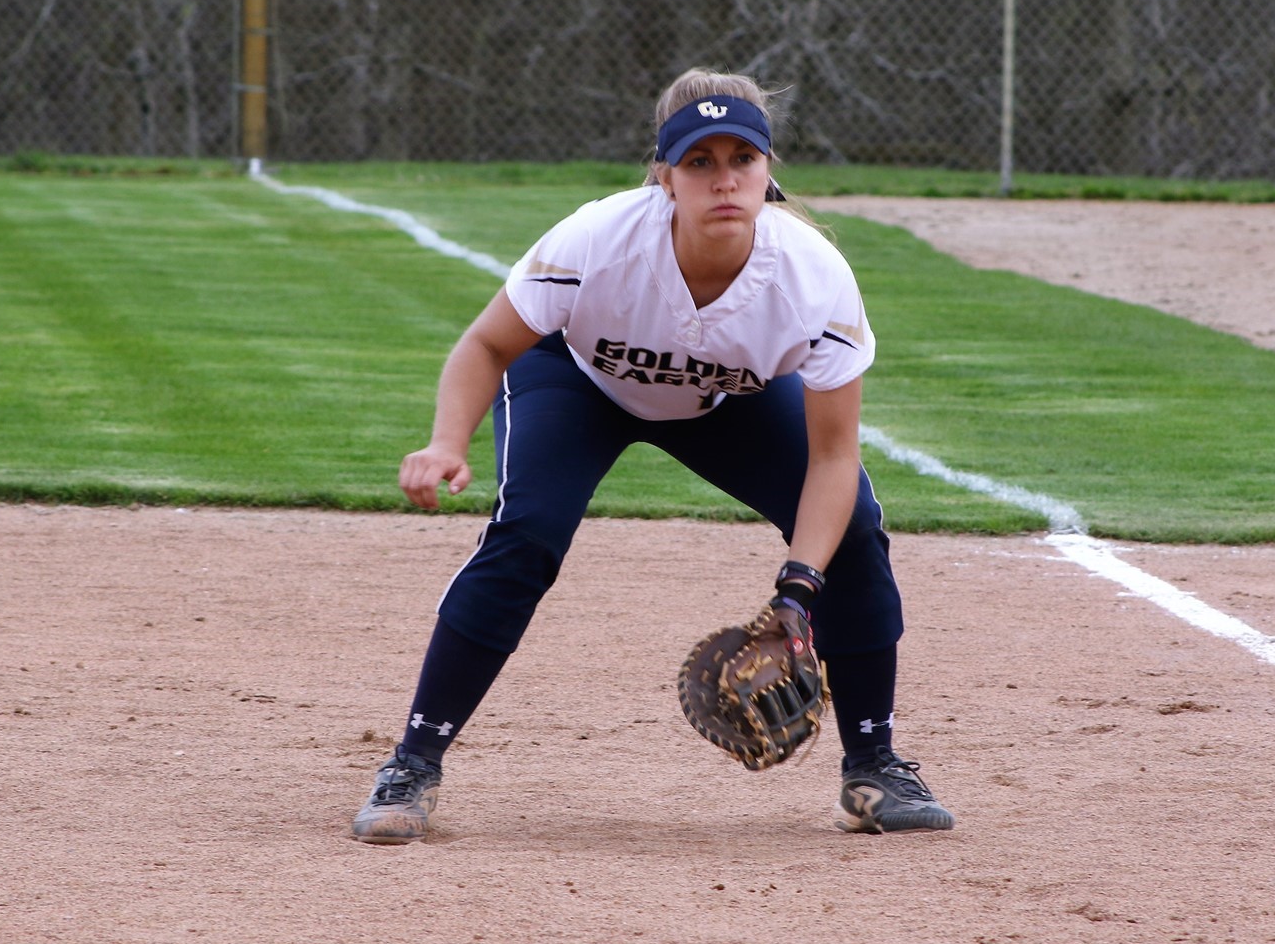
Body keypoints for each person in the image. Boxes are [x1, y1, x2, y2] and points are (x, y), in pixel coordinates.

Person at [351, 67, 954, 843]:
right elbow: (489, 343)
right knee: (526, 534)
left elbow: (834, 458)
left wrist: (798, 591)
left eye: (743, 158)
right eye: (700, 162)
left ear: (769, 170)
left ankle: (873, 768)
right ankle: (413, 762)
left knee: (857, 532)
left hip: (721, 402)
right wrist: (445, 441)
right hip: (577, 382)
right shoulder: (599, 238)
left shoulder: (812, 277)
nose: (724, 179)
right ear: (665, 175)